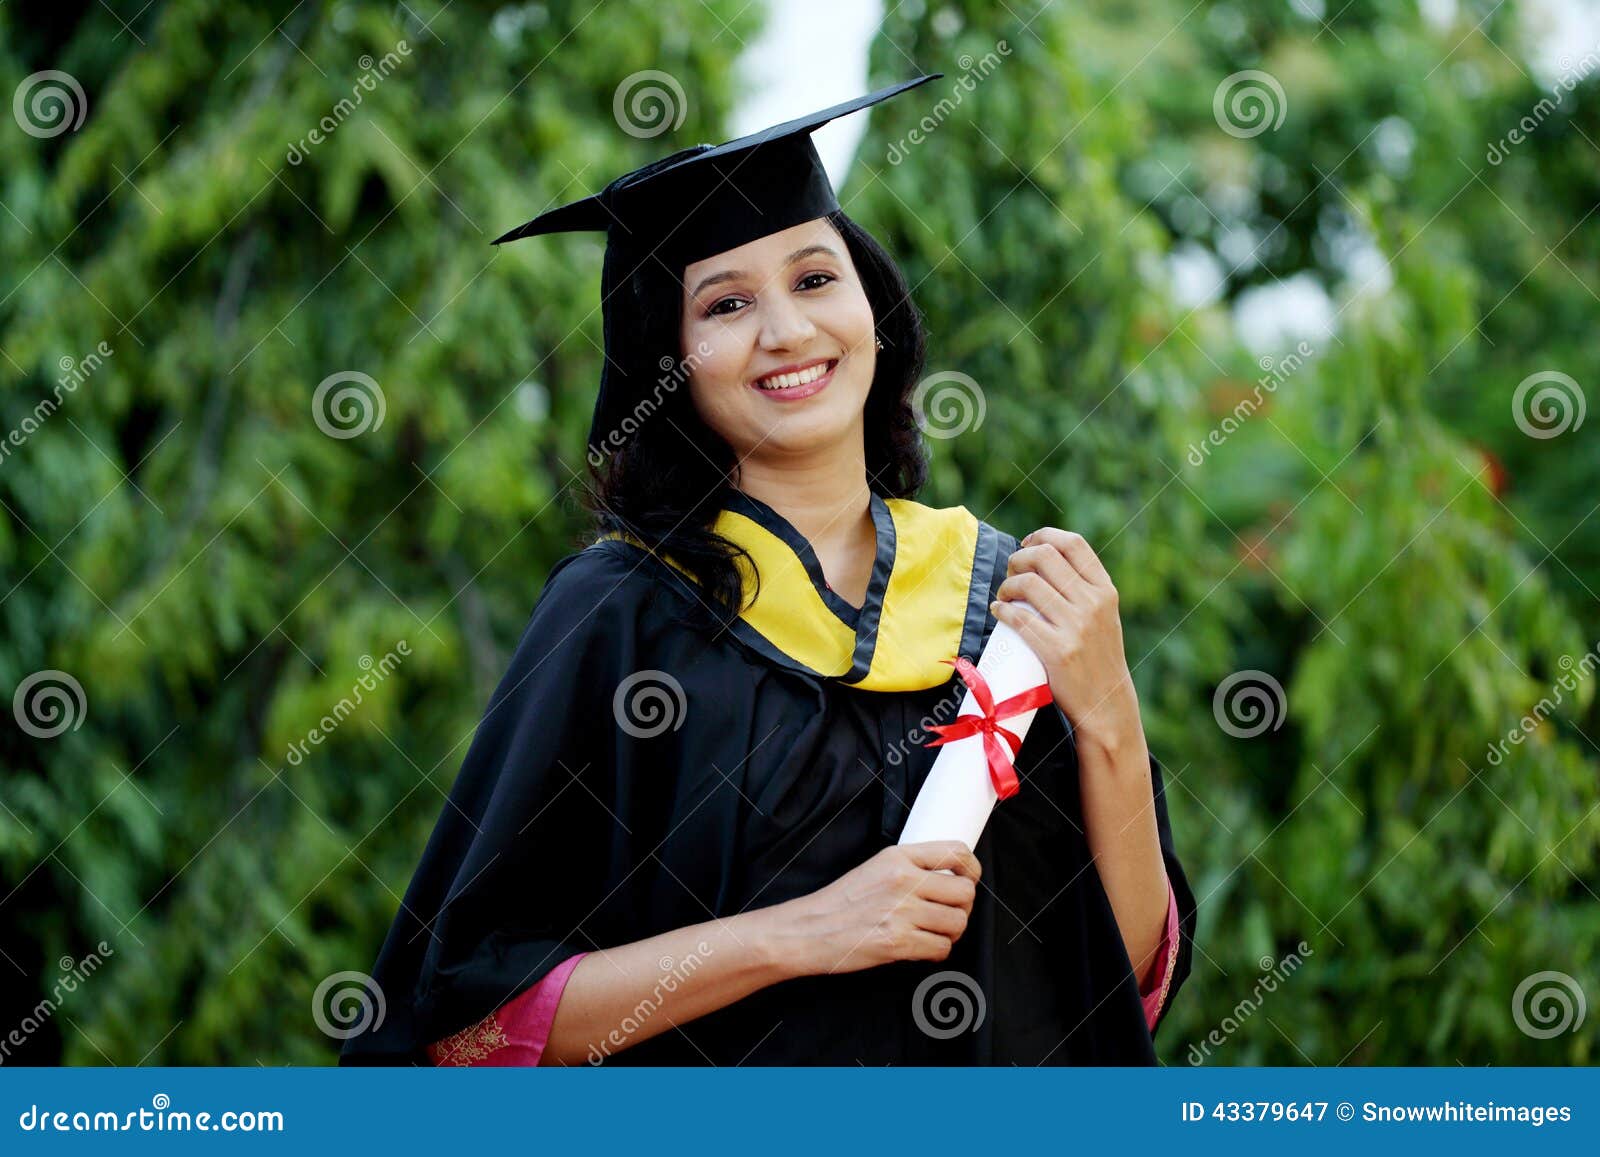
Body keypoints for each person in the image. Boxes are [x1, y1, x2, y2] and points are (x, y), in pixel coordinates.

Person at [340, 75, 1195, 1067]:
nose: (786, 330)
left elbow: (1110, 978)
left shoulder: (1003, 606)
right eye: (728, 302)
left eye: (815, 279)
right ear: (670, 360)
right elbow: (470, 1026)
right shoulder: (620, 613)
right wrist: (797, 933)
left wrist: (1108, 712)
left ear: (871, 308)